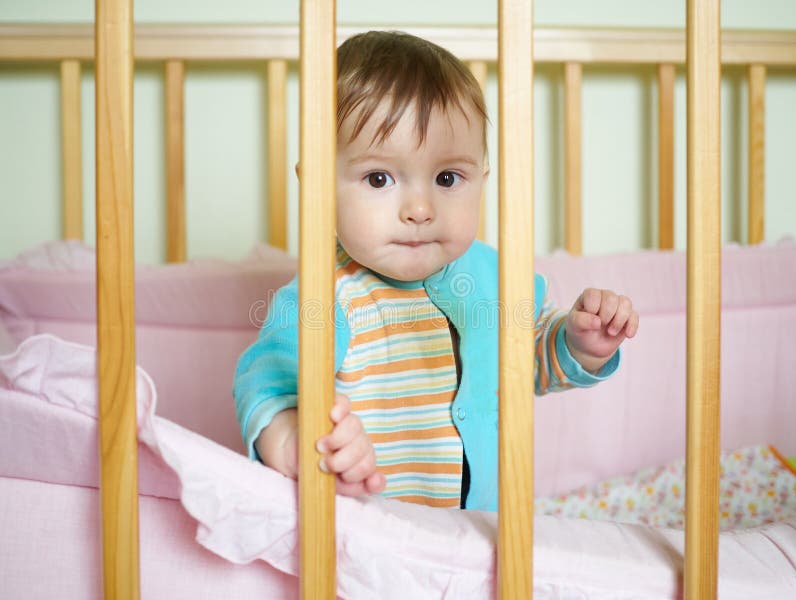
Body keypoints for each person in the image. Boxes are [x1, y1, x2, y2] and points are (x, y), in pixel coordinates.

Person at [234, 30, 638, 511]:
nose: (420, 209)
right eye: (379, 178)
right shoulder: (327, 295)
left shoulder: (494, 278)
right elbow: (267, 384)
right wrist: (297, 441)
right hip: (372, 537)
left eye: (448, 178)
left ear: (480, 182)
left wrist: (577, 344)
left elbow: (528, 361)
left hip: (485, 534)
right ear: (318, 186)